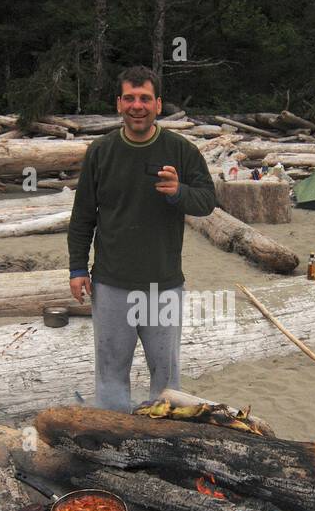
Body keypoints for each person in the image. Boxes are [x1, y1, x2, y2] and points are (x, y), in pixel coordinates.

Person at [67, 65, 216, 411]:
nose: (138, 106)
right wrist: (77, 268)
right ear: (118, 104)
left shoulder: (181, 150)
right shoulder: (100, 152)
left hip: (162, 285)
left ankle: (160, 446)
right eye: (130, 98)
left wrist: (179, 192)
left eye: (145, 99)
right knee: (111, 376)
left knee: (165, 377)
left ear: (158, 105)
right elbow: (83, 217)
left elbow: (208, 201)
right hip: (111, 283)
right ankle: (114, 443)